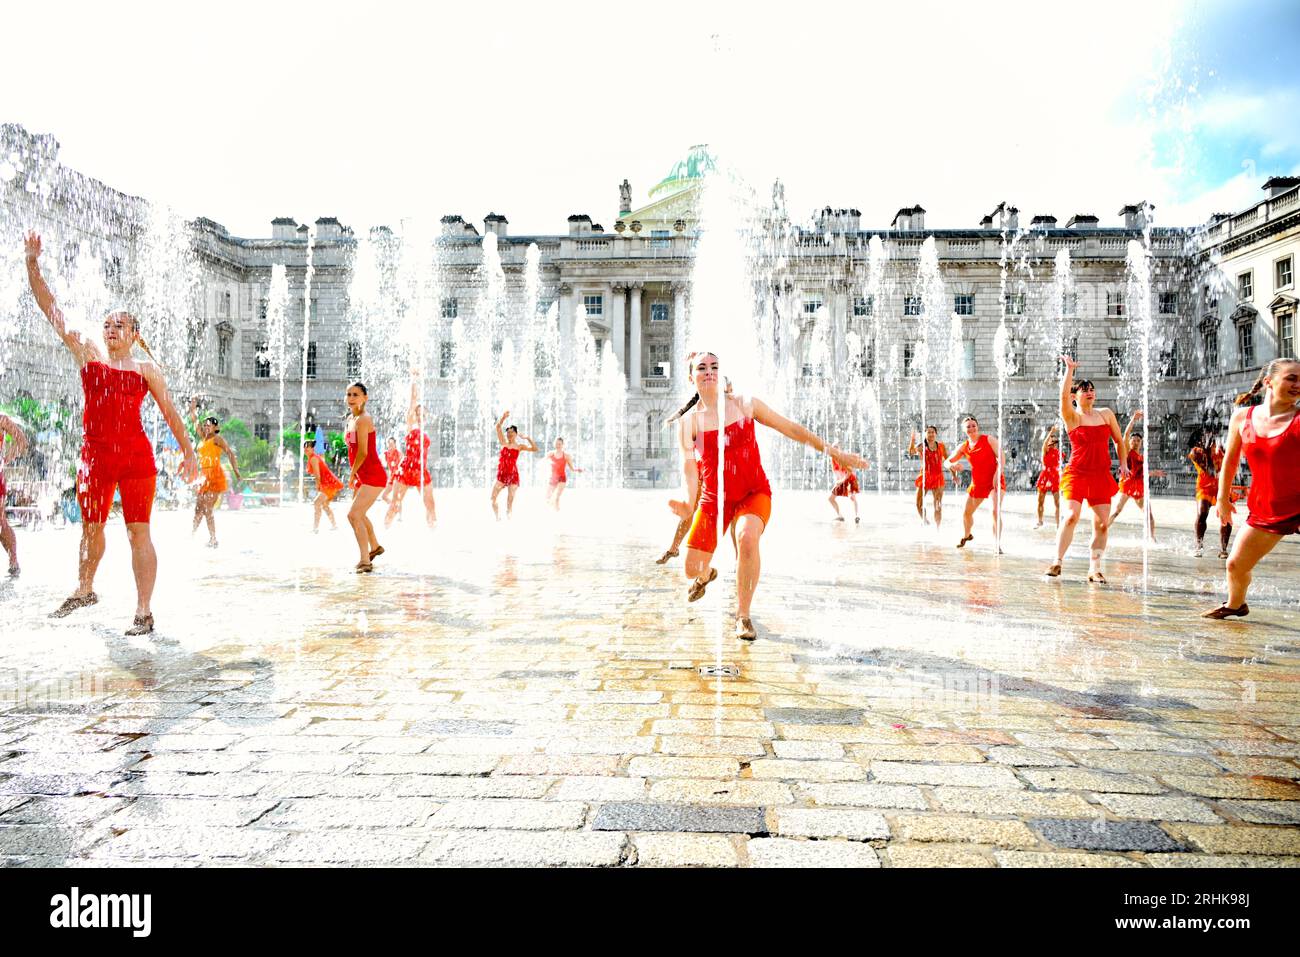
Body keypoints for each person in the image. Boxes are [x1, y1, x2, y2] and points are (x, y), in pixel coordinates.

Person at [24, 231, 198, 634]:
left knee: (139, 532)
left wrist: (188, 452)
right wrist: (33, 264)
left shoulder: (145, 371)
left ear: (134, 334)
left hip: (137, 459)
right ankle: (84, 589)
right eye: (107, 325)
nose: (111, 329)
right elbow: (53, 311)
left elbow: (170, 414)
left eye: (120, 325)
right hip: (95, 457)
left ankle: (143, 612)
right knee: (91, 527)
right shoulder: (88, 352)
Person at [667, 350, 867, 641]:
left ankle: (743, 616)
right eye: (702, 367)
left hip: (752, 491)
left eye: (714, 366)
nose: (709, 371)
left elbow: (791, 429)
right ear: (691, 377)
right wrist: (687, 502)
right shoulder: (689, 424)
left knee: (747, 537)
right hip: (715, 499)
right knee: (690, 568)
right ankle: (707, 574)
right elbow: (690, 471)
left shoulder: (745, 404)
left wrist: (835, 453)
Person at [1203, 358, 1300, 619]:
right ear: (1269, 381)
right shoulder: (1242, 417)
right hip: (1267, 506)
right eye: (1292, 378)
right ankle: (1236, 605)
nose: (1298, 385)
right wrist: (1222, 498)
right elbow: (1230, 460)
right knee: (1235, 564)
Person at [1046, 357, 1128, 582]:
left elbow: (1119, 442)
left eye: (1091, 389)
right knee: (1071, 516)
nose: (1090, 392)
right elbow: (1062, 396)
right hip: (1077, 473)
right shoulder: (1072, 417)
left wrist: (1123, 464)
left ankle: (1095, 568)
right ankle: (1057, 561)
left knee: (1102, 523)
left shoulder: (1106, 414)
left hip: (1101, 474)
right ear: (1075, 396)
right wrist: (1069, 370)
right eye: (1084, 390)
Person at [344, 382, 386, 573]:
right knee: (358, 515)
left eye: (355, 395)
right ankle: (375, 546)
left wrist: (352, 474)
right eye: (349, 394)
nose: (351, 398)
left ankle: (365, 561)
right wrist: (356, 475)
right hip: (363, 475)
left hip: (373, 475)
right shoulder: (351, 419)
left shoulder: (363, 419)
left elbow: (362, 452)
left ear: (365, 398)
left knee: (354, 515)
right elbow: (352, 449)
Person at [946, 416, 1004, 550]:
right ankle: (967, 535)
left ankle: (996, 544)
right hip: (978, 483)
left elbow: (1001, 457)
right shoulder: (964, 446)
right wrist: (953, 465)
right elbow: (946, 461)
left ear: (978, 427)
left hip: (995, 480)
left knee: (995, 511)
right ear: (964, 430)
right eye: (968, 426)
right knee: (966, 513)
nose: (971, 428)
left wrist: (997, 473)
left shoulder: (989, 439)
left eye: (973, 425)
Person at [188, 397, 240, 548]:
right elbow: (194, 421)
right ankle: (191, 535)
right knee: (198, 508)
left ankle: (213, 539)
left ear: (216, 428)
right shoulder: (203, 438)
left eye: (209, 426)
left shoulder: (217, 438)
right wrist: (193, 407)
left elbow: (230, 453)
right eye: (205, 426)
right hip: (204, 476)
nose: (205, 427)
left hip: (215, 476)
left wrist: (236, 471)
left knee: (207, 508)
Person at [384, 381, 437, 528]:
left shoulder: (424, 430)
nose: (420, 414)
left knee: (430, 504)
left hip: (421, 470)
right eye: (417, 412)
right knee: (395, 504)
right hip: (407, 468)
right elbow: (413, 401)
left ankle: (434, 532)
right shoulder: (411, 425)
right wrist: (414, 380)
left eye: (423, 412)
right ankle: (384, 531)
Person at [1107, 412, 1166, 540]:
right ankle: (1104, 530)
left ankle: (1152, 538)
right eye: (1134, 440)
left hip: (1139, 487)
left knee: (1148, 514)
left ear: (1141, 443)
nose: (1136, 442)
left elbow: (1142, 473)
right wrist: (1133, 419)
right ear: (1129, 442)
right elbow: (1126, 434)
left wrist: (1154, 473)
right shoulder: (1128, 451)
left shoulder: (1141, 457)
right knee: (1117, 511)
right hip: (1127, 484)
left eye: (1138, 440)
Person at [1190, 433, 1232, 559]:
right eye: (1205, 438)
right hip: (1204, 487)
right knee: (1202, 513)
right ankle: (1199, 546)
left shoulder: (1222, 450)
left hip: (1222, 485)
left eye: (1212, 439)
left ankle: (1224, 549)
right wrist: (1208, 452)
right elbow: (1210, 470)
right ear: (1200, 441)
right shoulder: (1196, 453)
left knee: (1226, 516)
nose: (1210, 441)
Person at [491, 410, 538, 519]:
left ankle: (509, 521)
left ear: (516, 434)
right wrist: (503, 417)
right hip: (501, 475)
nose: (509, 434)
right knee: (492, 499)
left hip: (513, 475)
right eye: (508, 432)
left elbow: (535, 449)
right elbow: (498, 427)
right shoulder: (503, 443)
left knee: (510, 500)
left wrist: (527, 438)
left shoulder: (519, 446)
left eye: (512, 432)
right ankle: (498, 518)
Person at [0, 412, 30, 576]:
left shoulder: (1, 420)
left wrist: (5, 459)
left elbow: (22, 441)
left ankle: (13, 560)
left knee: (1, 520)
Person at [907, 426, 946, 527]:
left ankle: (938, 529)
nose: (931, 434)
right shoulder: (921, 446)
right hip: (925, 477)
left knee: (938, 505)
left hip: (938, 477)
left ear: (936, 434)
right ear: (925, 434)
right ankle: (925, 521)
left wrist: (954, 473)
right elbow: (911, 452)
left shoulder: (941, 446)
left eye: (932, 432)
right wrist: (912, 440)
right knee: (918, 503)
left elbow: (947, 460)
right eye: (928, 432)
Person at [304, 439, 342, 531]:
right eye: (304, 448)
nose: (305, 450)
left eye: (307, 448)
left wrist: (318, 486)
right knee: (324, 505)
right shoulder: (313, 457)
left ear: (312, 449)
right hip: (330, 483)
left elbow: (317, 475)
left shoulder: (313, 458)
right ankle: (334, 525)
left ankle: (315, 528)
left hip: (329, 484)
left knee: (317, 503)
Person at [546, 437, 583, 511]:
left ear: (563, 445)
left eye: (559, 444)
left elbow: (572, 468)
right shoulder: (550, 454)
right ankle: (552, 511)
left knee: (556, 497)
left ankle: (557, 513)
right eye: (556, 444)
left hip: (561, 478)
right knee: (548, 498)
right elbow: (543, 462)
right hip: (552, 478)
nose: (558, 445)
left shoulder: (566, 456)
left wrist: (577, 470)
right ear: (554, 444)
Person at [1035, 426, 1061, 529]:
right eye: (1052, 441)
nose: (1054, 443)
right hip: (1045, 476)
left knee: (1057, 502)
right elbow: (1045, 444)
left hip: (1055, 477)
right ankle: (1040, 521)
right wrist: (1050, 432)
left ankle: (1058, 524)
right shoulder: (1045, 450)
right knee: (1040, 501)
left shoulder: (1058, 453)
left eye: (1055, 442)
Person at [828, 455, 860, 523]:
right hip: (842, 481)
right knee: (831, 499)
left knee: (853, 497)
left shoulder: (842, 460)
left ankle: (856, 516)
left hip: (850, 480)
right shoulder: (833, 461)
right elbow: (839, 478)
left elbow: (848, 475)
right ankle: (840, 516)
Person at [381, 437, 401, 504]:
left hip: (398, 478)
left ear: (395, 444)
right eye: (389, 444)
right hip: (392, 479)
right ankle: (393, 506)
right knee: (383, 496)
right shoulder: (386, 454)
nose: (390, 445)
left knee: (397, 498)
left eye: (392, 444)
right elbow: (381, 463)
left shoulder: (398, 454)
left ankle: (398, 511)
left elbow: (398, 467)